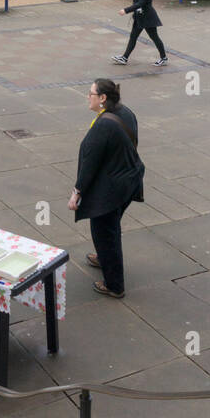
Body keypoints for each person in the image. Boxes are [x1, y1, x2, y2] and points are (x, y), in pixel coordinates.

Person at [67, 77, 144, 299]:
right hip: (130, 179)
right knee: (110, 227)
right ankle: (104, 257)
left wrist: (77, 192)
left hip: (114, 188)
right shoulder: (124, 111)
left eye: (90, 94)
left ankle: (114, 284)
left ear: (102, 98)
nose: (87, 97)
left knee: (104, 231)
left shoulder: (103, 125)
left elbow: (89, 163)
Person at [112, 0, 167, 66]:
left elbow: (140, 3)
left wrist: (126, 10)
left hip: (147, 17)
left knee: (154, 37)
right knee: (133, 36)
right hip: (140, 16)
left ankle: (163, 58)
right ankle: (124, 58)